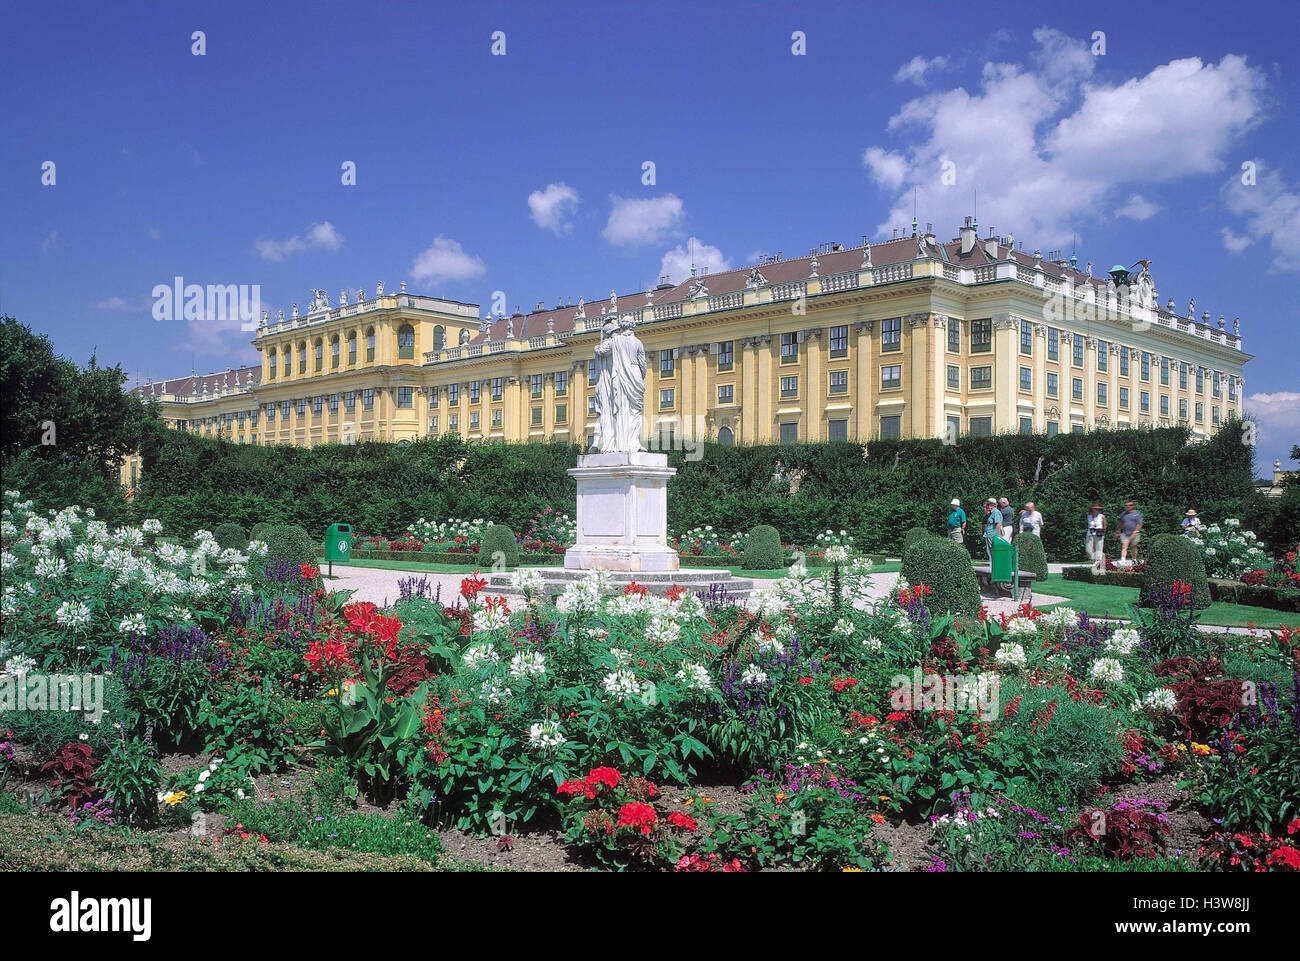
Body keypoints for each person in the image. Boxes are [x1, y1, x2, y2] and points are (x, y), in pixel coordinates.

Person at [982, 497, 1004, 564]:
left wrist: (996, 535)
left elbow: (998, 524)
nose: (987, 506)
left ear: (993, 505)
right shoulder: (991, 513)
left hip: (992, 535)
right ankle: (992, 566)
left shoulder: (996, 512)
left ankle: (995, 566)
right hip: (989, 534)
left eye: (988, 504)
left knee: (993, 551)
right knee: (989, 552)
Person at [1086, 502, 1107, 570]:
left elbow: (1105, 525)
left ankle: (1098, 562)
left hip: (1099, 533)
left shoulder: (1102, 516)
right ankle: (1094, 559)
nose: (1096, 510)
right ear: (1092, 509)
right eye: (1094, 509)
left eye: (1097, 509)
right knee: (1089, 549)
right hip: (1090, 533)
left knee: (1099, 548)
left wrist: (1102, 531)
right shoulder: (1088, 516)